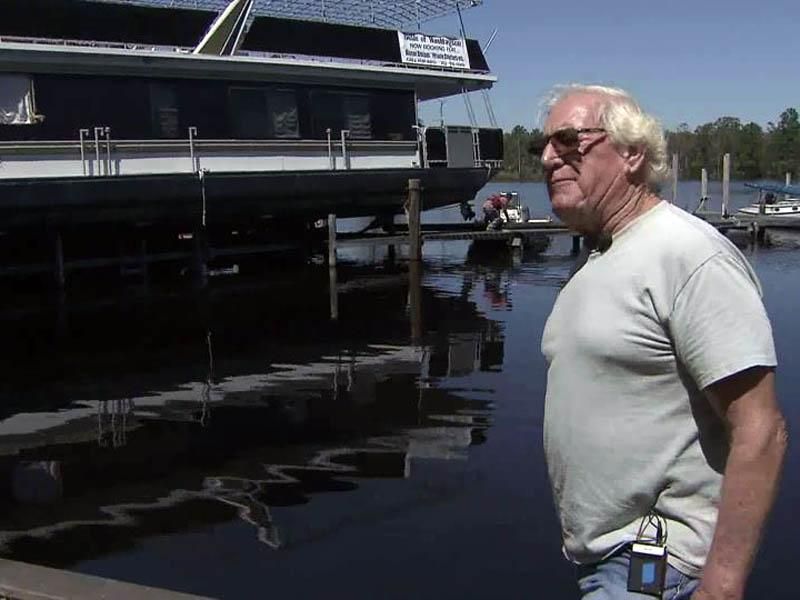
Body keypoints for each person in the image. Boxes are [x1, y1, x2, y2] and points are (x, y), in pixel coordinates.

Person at [535, 85, 787, 600]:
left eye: (568, 140)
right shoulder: (604, 256)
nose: (547, 157)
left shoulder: (688, 254)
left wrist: (721, 586)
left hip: (658, 567)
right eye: (542, 144)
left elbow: (761, 429)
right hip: (606, 560)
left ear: (631, 153)